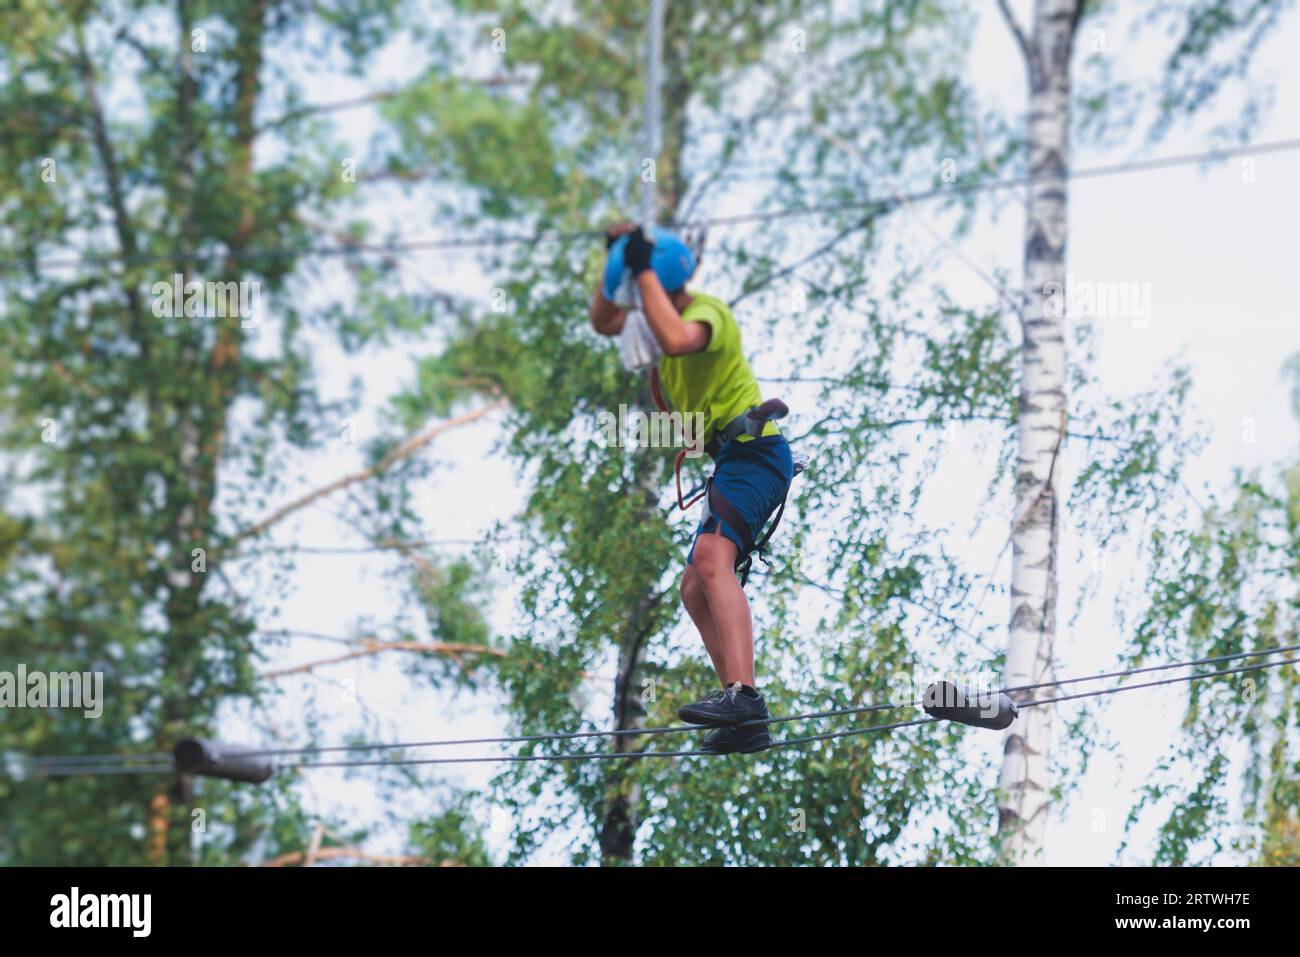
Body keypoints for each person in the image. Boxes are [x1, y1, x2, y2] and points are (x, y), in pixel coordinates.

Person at [589, 224, 794, 754]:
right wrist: (615, 266)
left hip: (756, 451)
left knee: (709, 560)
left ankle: (744, 695)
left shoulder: (707, 314)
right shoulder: (659, 337)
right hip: (734, 460)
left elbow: (679, 336)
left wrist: (641, 268)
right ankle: (745, 717)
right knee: (692, 587)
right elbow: (604, 320)